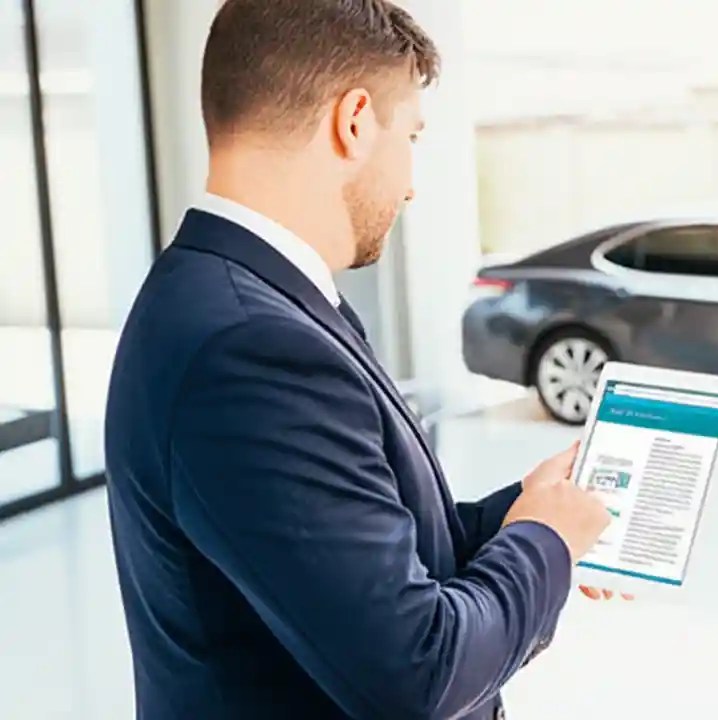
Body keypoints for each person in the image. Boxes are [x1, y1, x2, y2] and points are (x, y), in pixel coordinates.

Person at [104, 2, 615, 718]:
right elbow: (416, 673)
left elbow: (364, 548)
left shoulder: (238, 298)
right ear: (353, 121)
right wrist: (546, 543)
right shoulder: (251, 347)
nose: (411, 184)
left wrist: (531, 511)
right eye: (409, 136)